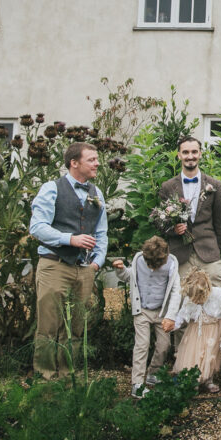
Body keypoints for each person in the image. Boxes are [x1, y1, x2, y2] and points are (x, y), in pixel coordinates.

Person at [29, 141, 108, 380]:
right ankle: (45, 378)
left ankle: (69, 377)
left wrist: (97, 263)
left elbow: (101, 232)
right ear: (74, 163)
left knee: (76, 328)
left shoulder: (97, 193)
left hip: (84, 270)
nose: (97, 163)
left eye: (96, 159)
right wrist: (69, 239)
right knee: (49, 327)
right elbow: (37, 227)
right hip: (55, 266)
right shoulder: (51, 189)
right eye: (91, 160)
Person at [158, 135, 221, 391]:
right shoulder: (168, 187)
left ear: (200, 154)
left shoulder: (214, 185)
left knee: (219, 308)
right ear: (178, 155)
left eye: (194, 152)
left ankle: (213, 369)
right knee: (181, 310)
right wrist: (172, 229)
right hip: (181, 254)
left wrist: (213, 246)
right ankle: (184, 370)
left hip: (209, 254)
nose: (190, 156)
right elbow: (159, 221)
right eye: (185, 152)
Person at [112, 236, 182, 398]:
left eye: (157, 265)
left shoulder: (172, 263)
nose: (153, 268)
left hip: (161, 312)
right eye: (150, 264)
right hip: (142, 310)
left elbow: (176, 291)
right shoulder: (138, 259)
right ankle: (137, 384)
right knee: (142, 345)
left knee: (164, 345)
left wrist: (171, 316)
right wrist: (120, 269)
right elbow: (128, 277)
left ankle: (153, 372)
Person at [172, 268, 221, 392]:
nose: (196, 301)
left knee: (210, 356)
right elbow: (182, 315)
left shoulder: (217, 294)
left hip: (213, 331)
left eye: (198, 298)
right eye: (194, 298)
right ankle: (193, 380)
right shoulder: (190, 299)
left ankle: (209, 380)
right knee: (195, 356)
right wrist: (173, 325)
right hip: (196, 333)